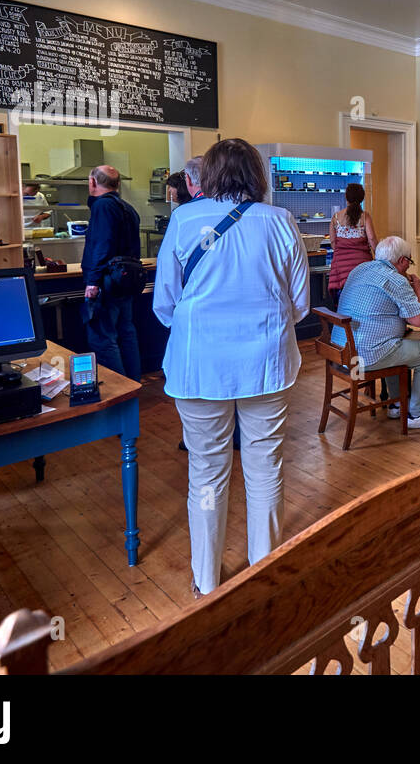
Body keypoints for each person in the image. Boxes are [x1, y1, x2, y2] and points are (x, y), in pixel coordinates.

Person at [152, 138, 312, 597]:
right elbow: (300, 304)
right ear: (258, 176)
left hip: (198, 365)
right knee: (265, 467)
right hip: (265, 363)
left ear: (208, 176)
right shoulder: (280, 222)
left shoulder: (184, 220)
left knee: (206, 472)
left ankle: (206, 579)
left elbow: (165, 303)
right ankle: (265, 573)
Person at [334, 236, 420, 429]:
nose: (408, 267)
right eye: (409, 262)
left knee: (393, 342)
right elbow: (418, 320)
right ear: (403, 261)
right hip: (364, 356)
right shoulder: (395, 279)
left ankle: (397, 403)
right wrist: (419, 291)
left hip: (341, 350)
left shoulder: (360, 269)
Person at [82, 165, 142, 380]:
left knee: (103, 337)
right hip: (124, 282)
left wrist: (93, 280)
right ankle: (133, 386)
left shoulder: (102, 207)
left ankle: (119, 393)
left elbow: (102, 244)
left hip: (106, 283)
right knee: (126, 333)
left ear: (92, 182)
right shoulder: (128, 208)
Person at [327, 182, 377, 307]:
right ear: (362, 198)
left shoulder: (336, 217)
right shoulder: (365, 217)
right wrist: (382, 257)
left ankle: (343, 324)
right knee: (363, 303)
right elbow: (372, 240)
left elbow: (333, 243)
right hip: (362, 266)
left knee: (343, 304)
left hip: (341, 267)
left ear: (346, 197)